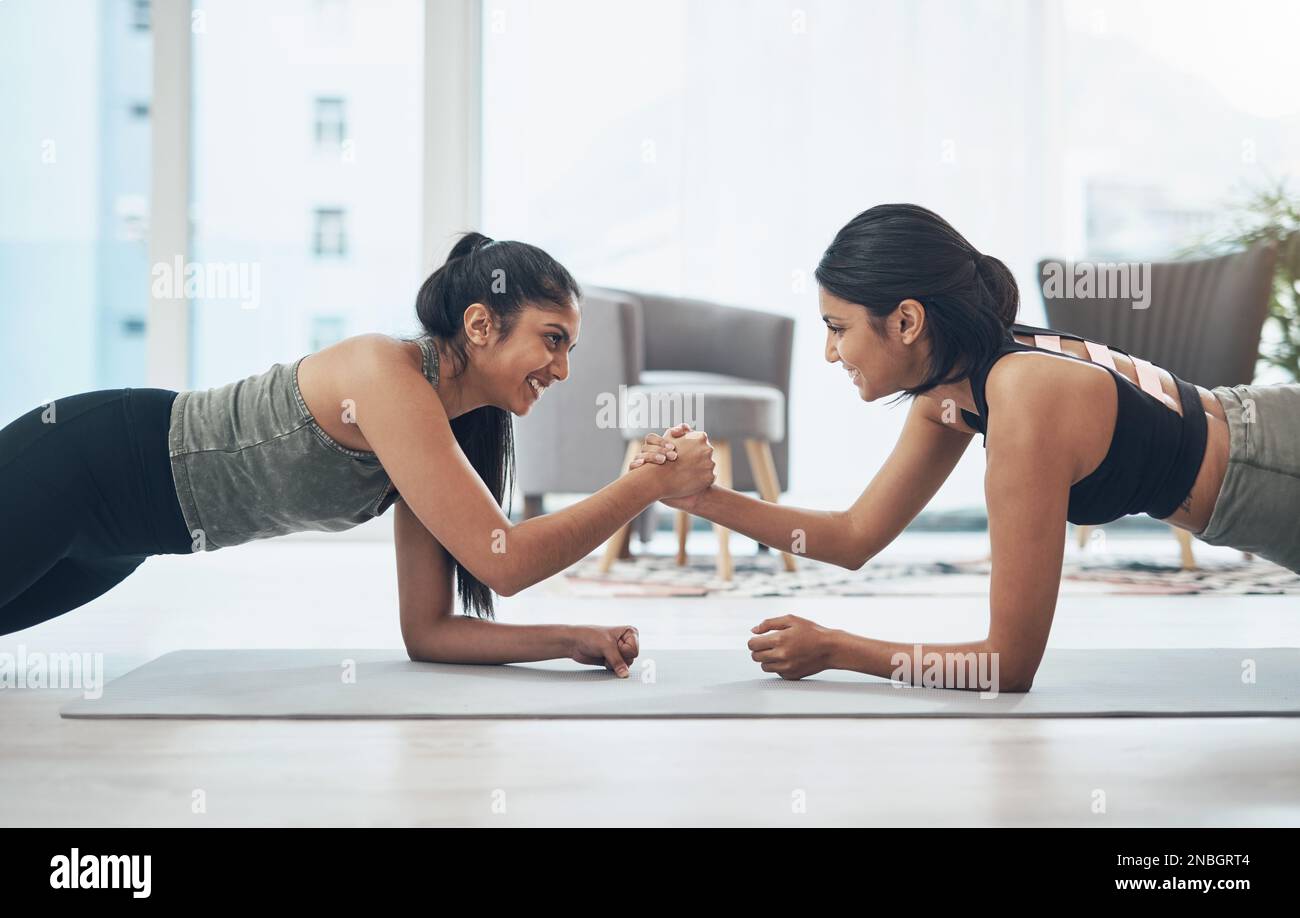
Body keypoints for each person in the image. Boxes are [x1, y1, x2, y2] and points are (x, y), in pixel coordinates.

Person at [632, 203, 1300, 692]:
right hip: (1259, 457)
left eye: (837, 328)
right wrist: (699, 497)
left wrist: (837, 649)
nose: (830, 352)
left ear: (906, 320)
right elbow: (852, 536)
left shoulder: (1022, 399)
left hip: (1275, 464)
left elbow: (1007, 664)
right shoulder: (951, 396)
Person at [0, 233, 716, 678]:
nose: (562, 370)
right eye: (553, 339)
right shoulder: (386, 376)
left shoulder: (433, 429)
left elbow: (429, 632)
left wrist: (572, 639)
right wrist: (645, 485)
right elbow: (506, 559)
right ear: (480, 323)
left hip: (124, 539)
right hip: (85, 462)